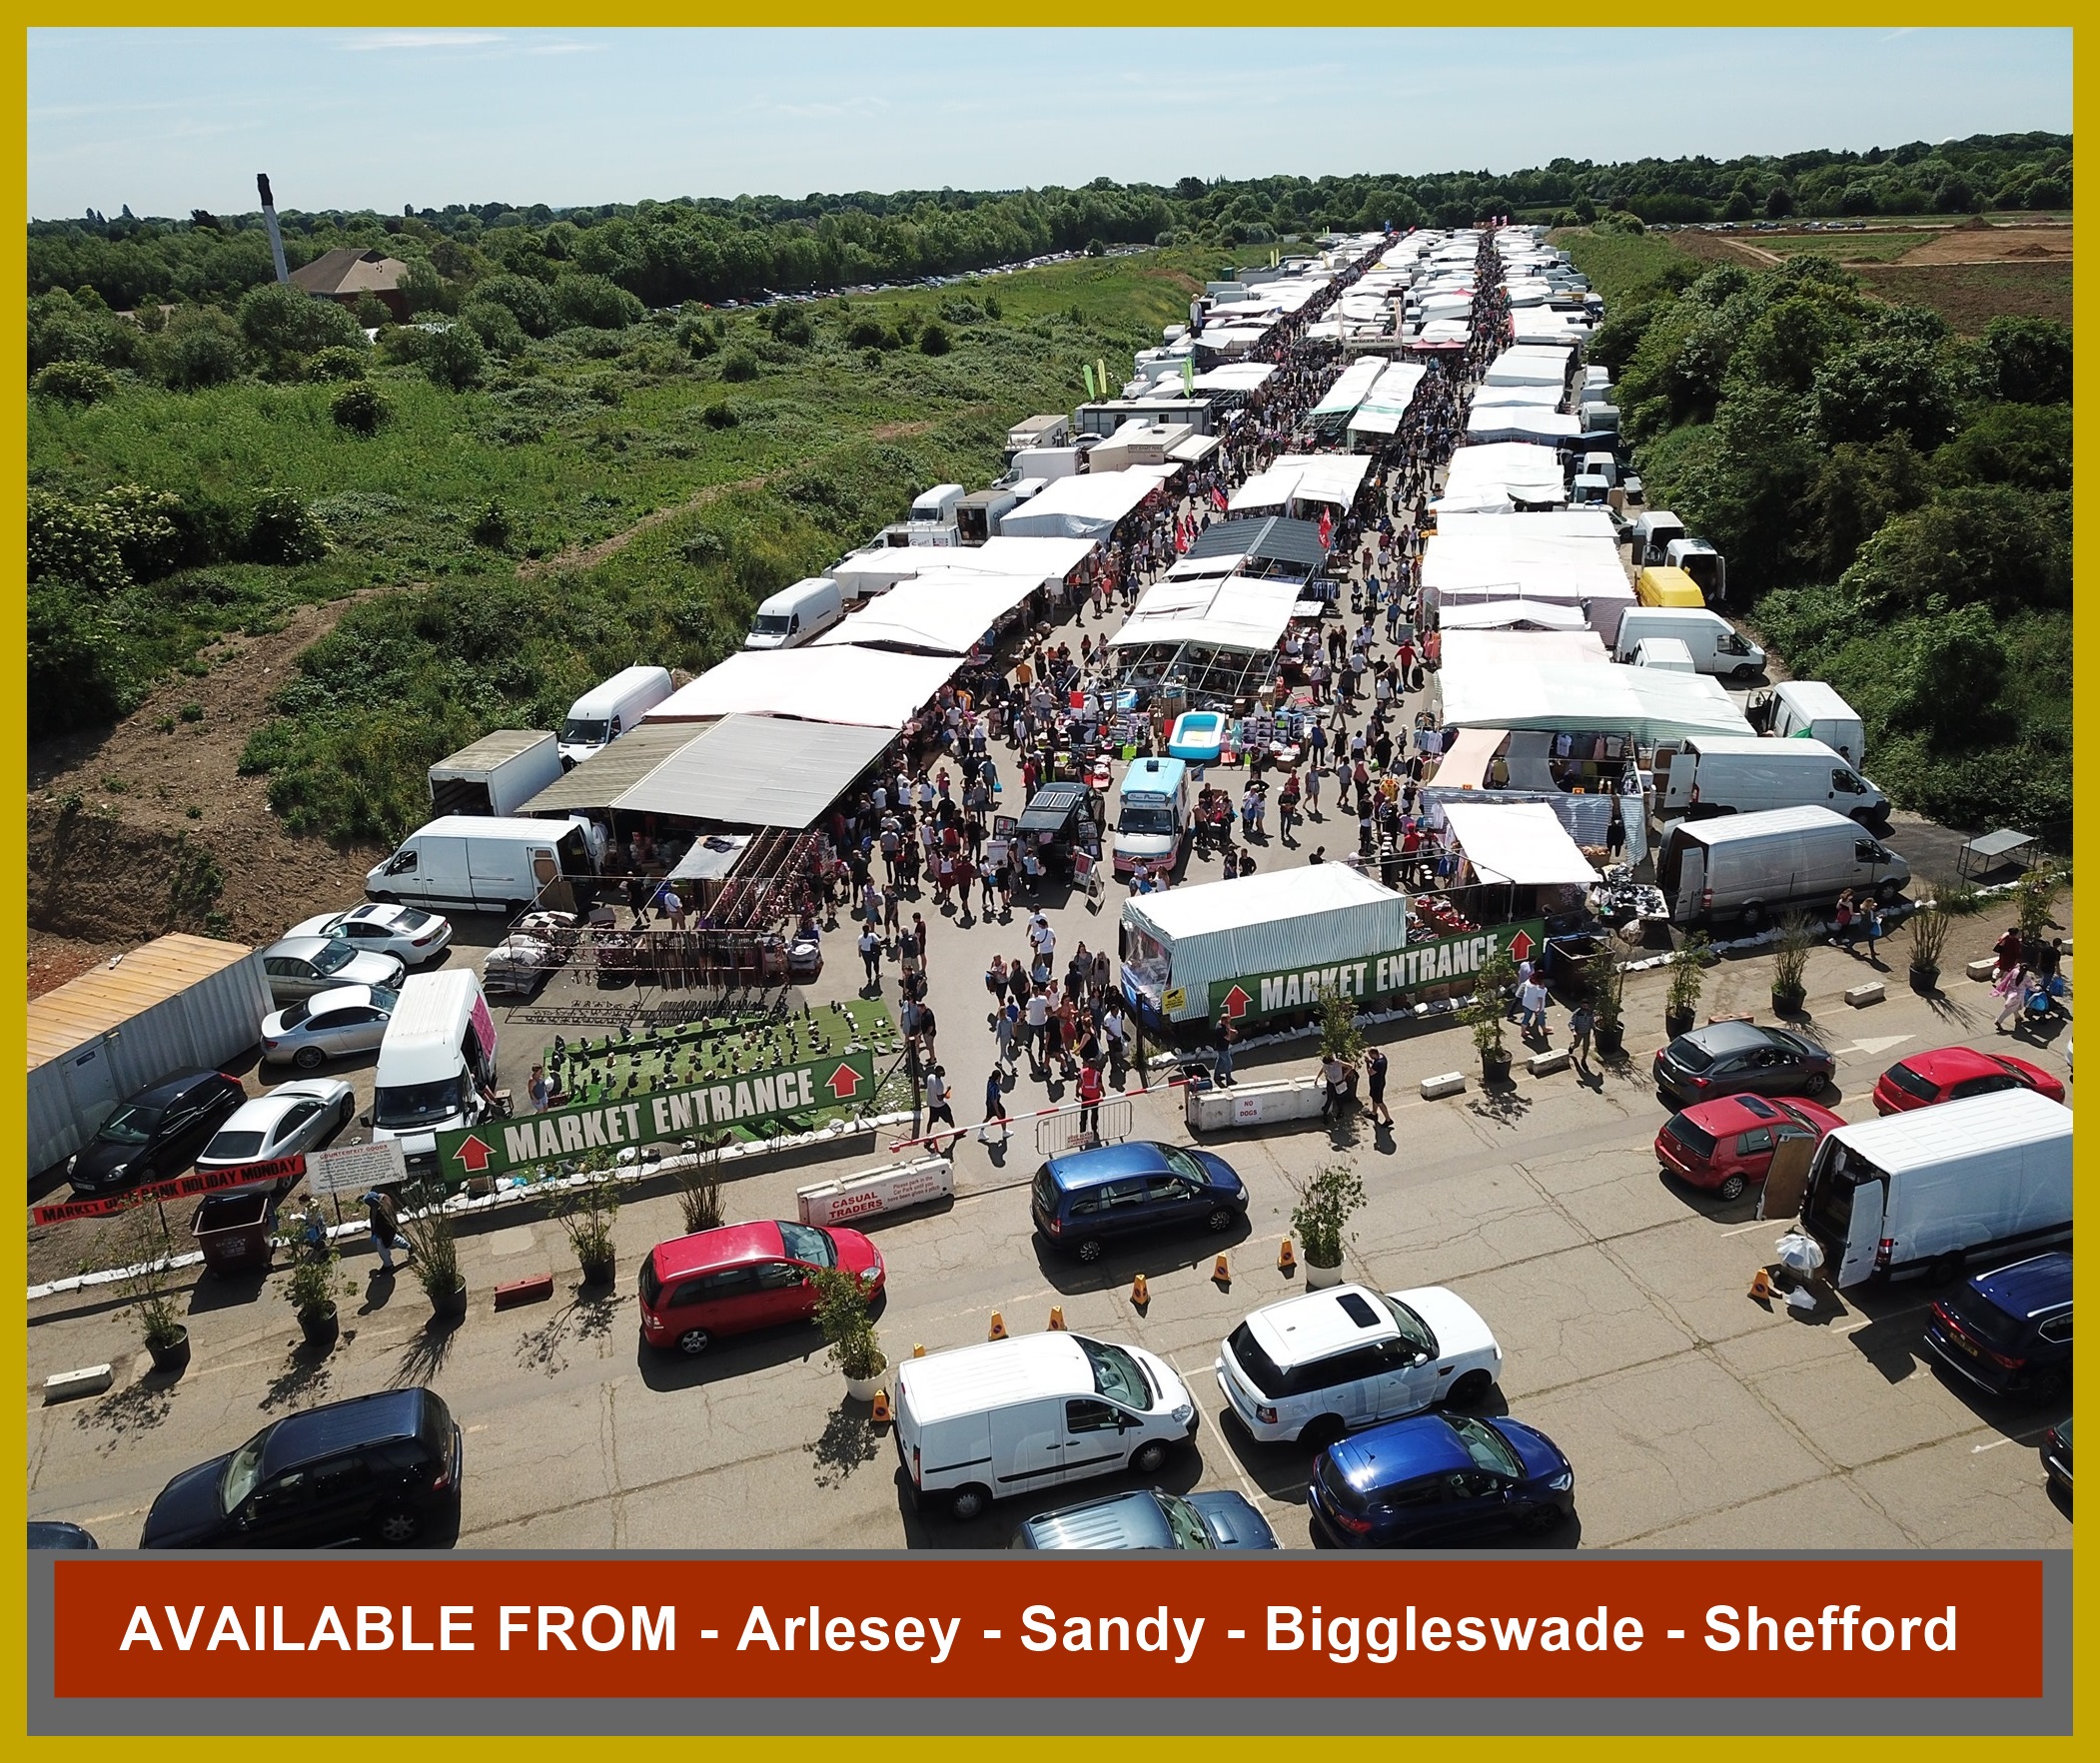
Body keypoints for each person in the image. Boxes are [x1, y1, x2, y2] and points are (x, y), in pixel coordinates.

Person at [361, 1189, 413, 1277]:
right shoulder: (384, 1198)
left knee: (382, 1248)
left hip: (384, 1232)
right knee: (394, 1238)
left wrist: (378, 1235)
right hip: (389, 1229)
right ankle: (408, 1246)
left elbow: (383, 1226)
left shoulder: (381, 1212)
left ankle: (388, 1265)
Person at [924, 1064, 956, 1153]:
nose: (943, 1073)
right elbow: (940, 1098)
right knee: (949, 1118)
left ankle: (928, 1136)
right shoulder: (939, 1084)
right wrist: (947, 1091)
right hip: (940, 1105)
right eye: (942, 1072)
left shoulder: (930, 1077)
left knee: (931, 1121)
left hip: (931, 1103)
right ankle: (955, 1132)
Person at [1319, 1051, 1352, 1122]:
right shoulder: (1326, 1064)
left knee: (1338, 1098)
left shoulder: (1338, 1063)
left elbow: (1350, 1066)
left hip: (1338, 1082)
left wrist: (1345, 1075)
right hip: (1330, 1082)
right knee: (1329, 1098)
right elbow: (1323, 1069)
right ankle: (1324, 1115)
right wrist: (1317, 1077)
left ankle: (1340, 1112)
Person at [1076, 1060, 1104, 1140]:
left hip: (1085, 1095)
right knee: (1094, 1112)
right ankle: (1094, 1128)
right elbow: (1099, 1085)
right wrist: (1103, 1092)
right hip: (1094, 1096)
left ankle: (1082, 1129)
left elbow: (1079, 1083)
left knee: (1084, 1112)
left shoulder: (1082, 1072)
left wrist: (1077, 1091)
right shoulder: (1097, 1074)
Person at [1363, 1044, 1391, 1126]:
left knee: (1379, 1101)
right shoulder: (1381, 1056)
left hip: (1378, 1084)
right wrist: (1371, 1061)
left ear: (1373, 1054)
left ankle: (1388, 1119)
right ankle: (1374, 1114)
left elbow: (1370, 1072)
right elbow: (1374, 1063)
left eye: (1370, 1055)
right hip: (1375, 1083)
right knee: (1374, 1098)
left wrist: (1367, 1063)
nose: (1370, 1057)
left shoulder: (1379, 1064)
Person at [1518, 974, 1551, 1040]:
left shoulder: (1528, 982)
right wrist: (1540, 1008)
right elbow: (1540, 999)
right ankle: (1544, 1029)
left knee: (1526, 1018)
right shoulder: (1540, 989)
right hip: (1535, 1005)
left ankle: (1523, 1032)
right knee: (1541, 1019)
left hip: (1526, 1003)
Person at [981, 1068, 1009, 1144]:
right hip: (993, 1105)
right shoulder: (995, 1087)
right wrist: (997, 1112)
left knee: (988, 1117)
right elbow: (994, 1101)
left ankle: (981, 1132)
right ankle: (1004, 1132)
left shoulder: (990, 1081)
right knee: (1002, 1114)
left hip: (988, 1103)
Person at [1214, 1016, 1240, 1088]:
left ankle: (1216, 1076)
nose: (1229, 1023)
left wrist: (1231, 1030)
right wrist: (1229, 1030)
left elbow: (1226, 1028)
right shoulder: (1221, 1029)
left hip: (1220, 1047)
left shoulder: (1219, 1023)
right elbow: (1228, 1038)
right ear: (1224, 1021)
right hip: (1223, 1049)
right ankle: (1229, 1080)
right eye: (1228, 1022)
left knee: (1219, 1062)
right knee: (1228, 1063)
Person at [1569, 1002, 1595, 1068]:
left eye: (1586, 1006)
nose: (1585, 1008)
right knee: (1576, 1045)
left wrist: (1594, 1029)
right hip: (1579, 1033)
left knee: (1586, 1047)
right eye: (1583, 1006)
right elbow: (1571, 1023)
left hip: (1587, 1033)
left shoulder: (1590, 1013)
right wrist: (1573, 1031)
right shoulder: (1577, 1013)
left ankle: (1583, 1060)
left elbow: (1592, 1022)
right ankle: (1572, 1047)